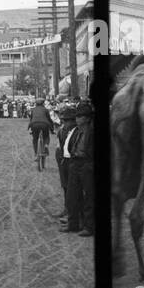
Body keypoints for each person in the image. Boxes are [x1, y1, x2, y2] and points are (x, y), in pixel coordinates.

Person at [62, 101, 94, 236]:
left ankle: (88, 226)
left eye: (80, 116)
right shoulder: (76, 130)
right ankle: (73, 223)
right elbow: (70, 146)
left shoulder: (92, 131)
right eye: (77, 116)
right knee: (72, 196)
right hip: (75, 163)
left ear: (87, 118)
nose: (77, 118)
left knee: (89, 197)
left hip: (87, 163)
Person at [28, 97, 54, 163]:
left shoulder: (33, 110)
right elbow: (49, 120)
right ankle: (46, 145)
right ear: (43, 103)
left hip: (34, 125)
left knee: (35, 139)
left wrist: (30, 128)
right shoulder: (45, 110)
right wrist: (52, 129)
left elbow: (31, 119)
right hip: (44, 124)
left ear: (36, 103)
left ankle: (36, 154)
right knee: (46, 136)